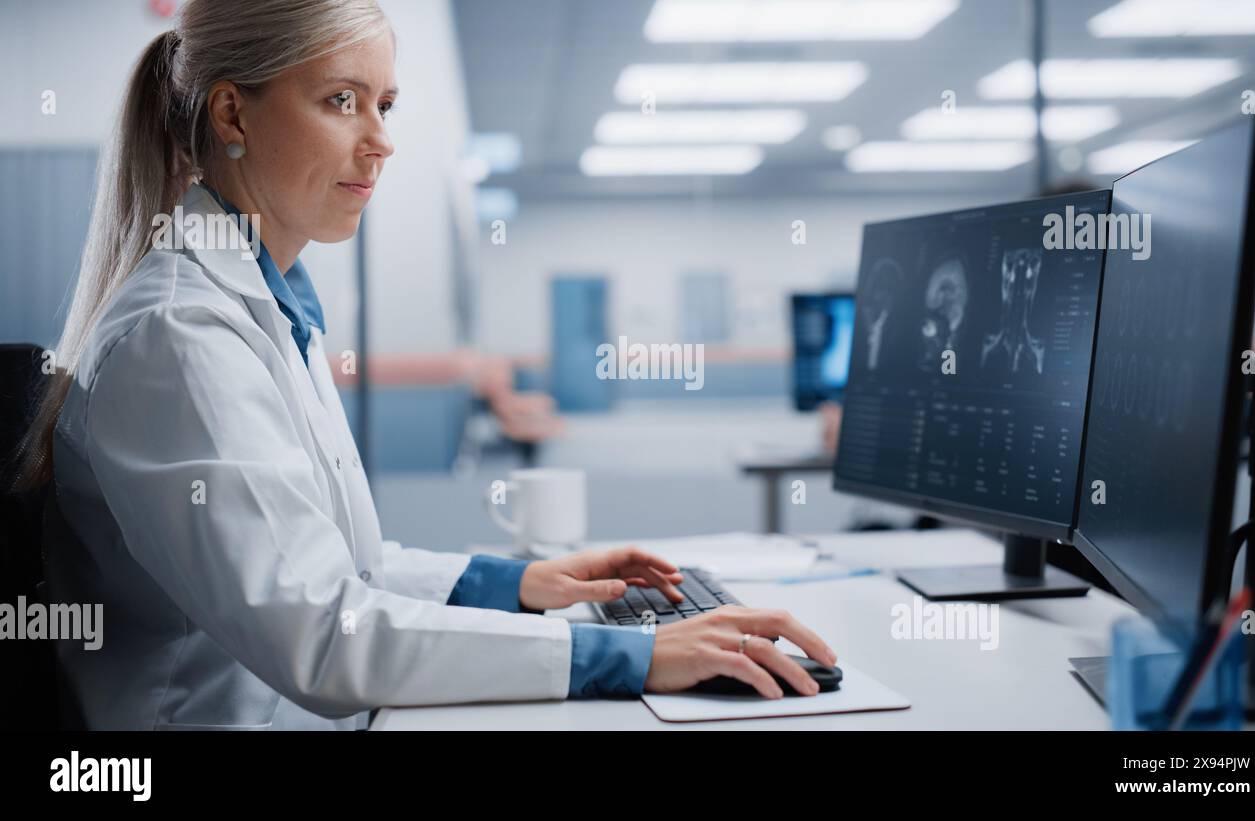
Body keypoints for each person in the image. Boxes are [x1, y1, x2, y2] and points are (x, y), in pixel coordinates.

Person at [11, 0, 835, 730]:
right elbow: (324, 634)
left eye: (386, 104)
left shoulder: (262, 308)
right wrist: (624, 657)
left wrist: (518, 582)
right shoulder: (179, 334)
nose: (381, 142)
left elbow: (347, 572)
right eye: (341, 101)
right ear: (233, 113)